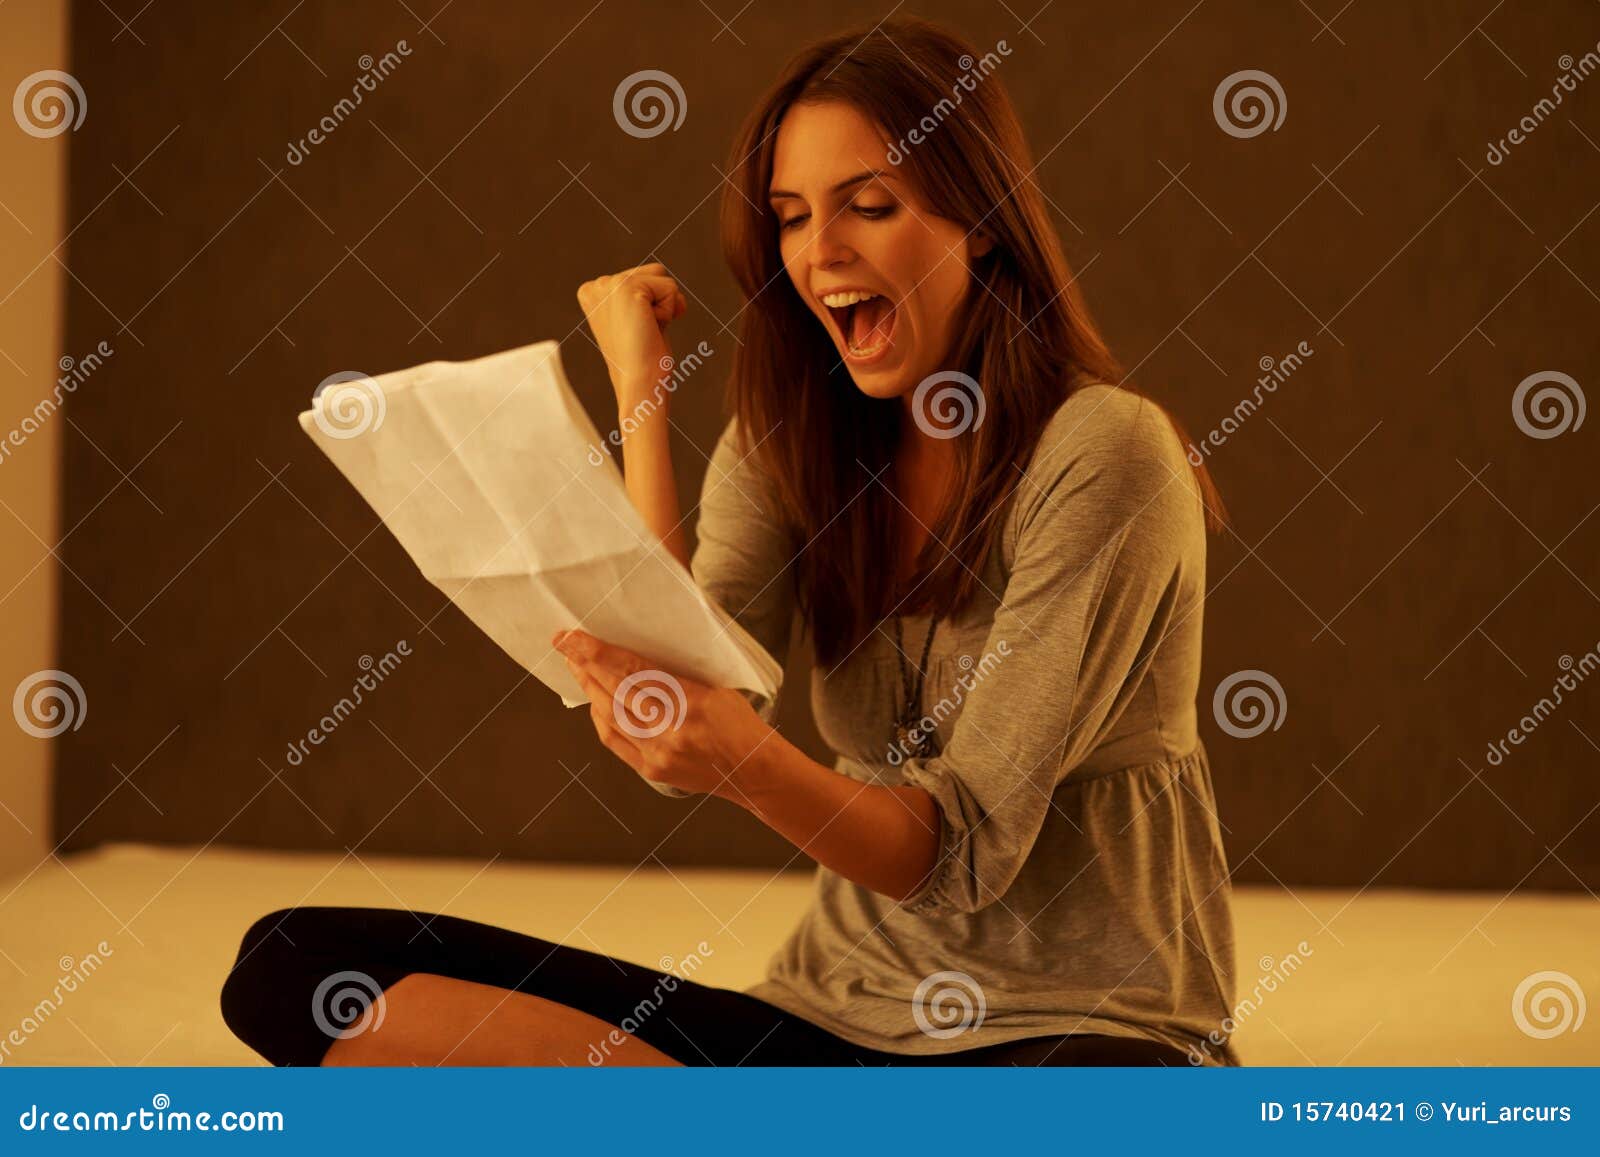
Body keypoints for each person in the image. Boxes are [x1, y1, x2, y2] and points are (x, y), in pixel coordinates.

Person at [220, 15, 1239, 1068]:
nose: (820, 251)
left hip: (1080, 1030)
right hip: (830, 1018)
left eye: (870, 207)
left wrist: (749, 763)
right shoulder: (794, 436)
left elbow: (964, 853)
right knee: (293, 965)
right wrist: (641, 393)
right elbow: (676, 702)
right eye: (791, 218)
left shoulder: (1107, 454)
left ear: (981, 222)